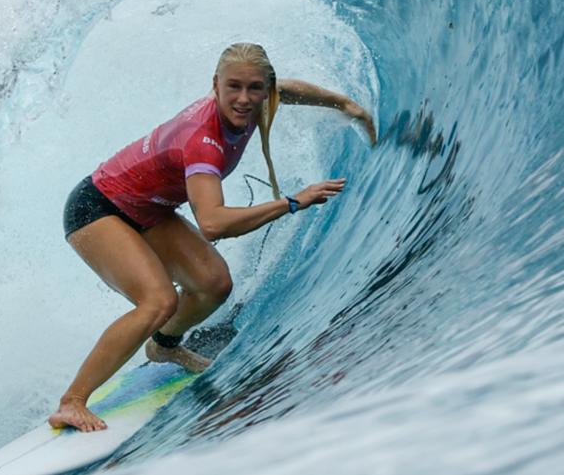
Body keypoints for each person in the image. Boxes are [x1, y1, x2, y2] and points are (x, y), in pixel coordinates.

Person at [49, 42, 376, 432]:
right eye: (233, 88)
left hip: (147, 208)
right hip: (97, 208)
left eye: (255, 88)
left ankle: (164, 347)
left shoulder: (255, 101)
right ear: (215, 86)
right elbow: (214, 224)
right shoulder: (204, 142)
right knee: (158, 301)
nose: (244, 99)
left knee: (213, 284)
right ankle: (72, 401)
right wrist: (293, 202)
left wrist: (345, 105)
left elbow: (286, 89)